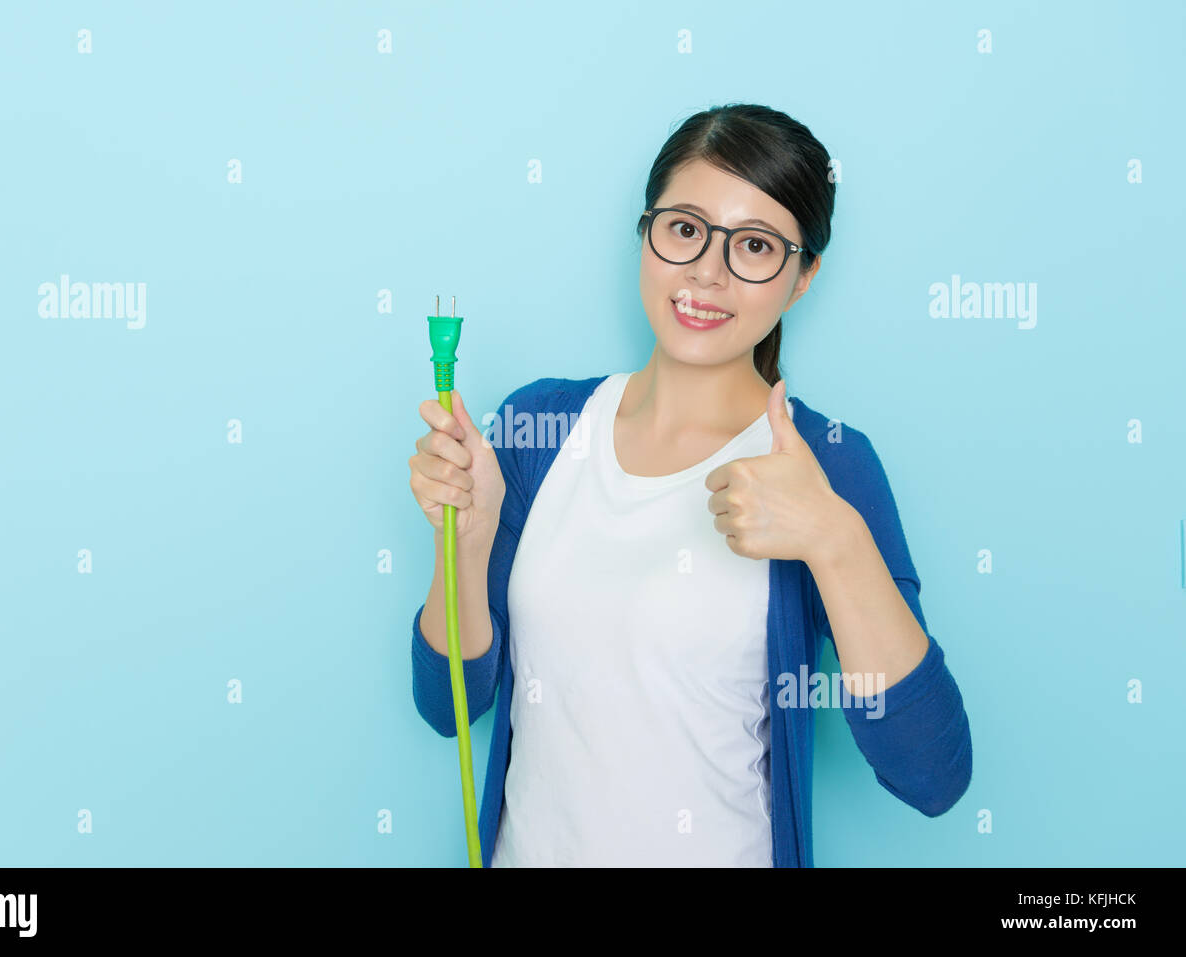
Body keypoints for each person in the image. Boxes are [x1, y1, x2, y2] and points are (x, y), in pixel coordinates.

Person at [406, 103, 972, 867]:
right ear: (645, 234)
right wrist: (465, 549)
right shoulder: (537, 429)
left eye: (756, 246)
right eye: (684, 229)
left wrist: (835, 541)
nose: (707, 271)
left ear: (803, 278)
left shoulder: (828, 464)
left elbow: (931, 774)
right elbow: (449, 707)